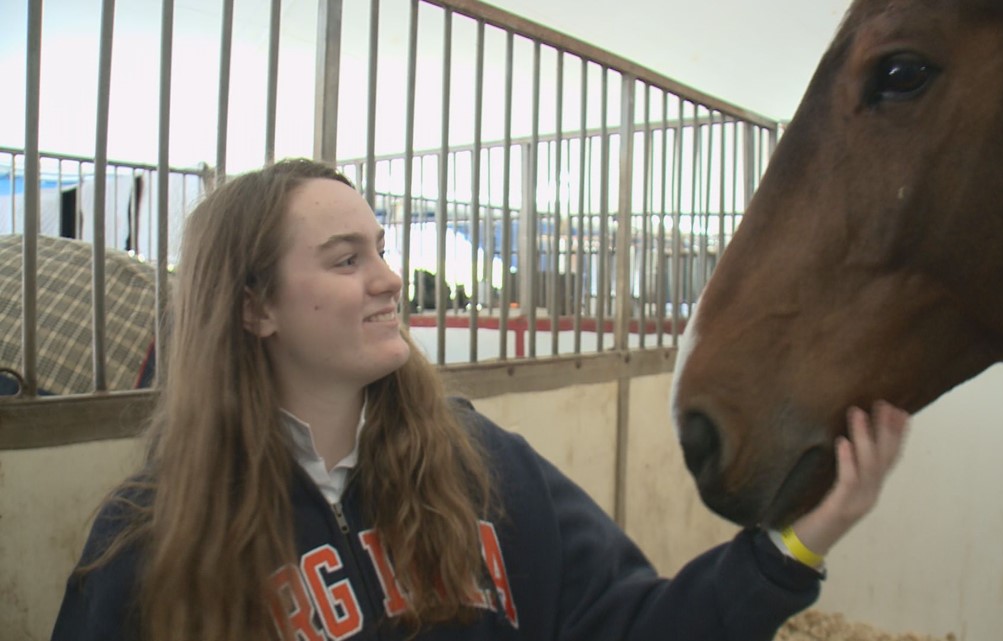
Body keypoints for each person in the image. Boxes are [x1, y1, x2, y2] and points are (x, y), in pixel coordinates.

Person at [51, 159, 909, 641]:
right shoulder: (151, 533)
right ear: (255, 307)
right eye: (347, 259)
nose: (390, 278)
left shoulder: (483, 465)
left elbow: (632, 626)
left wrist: (797, 541)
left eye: (380, 248)